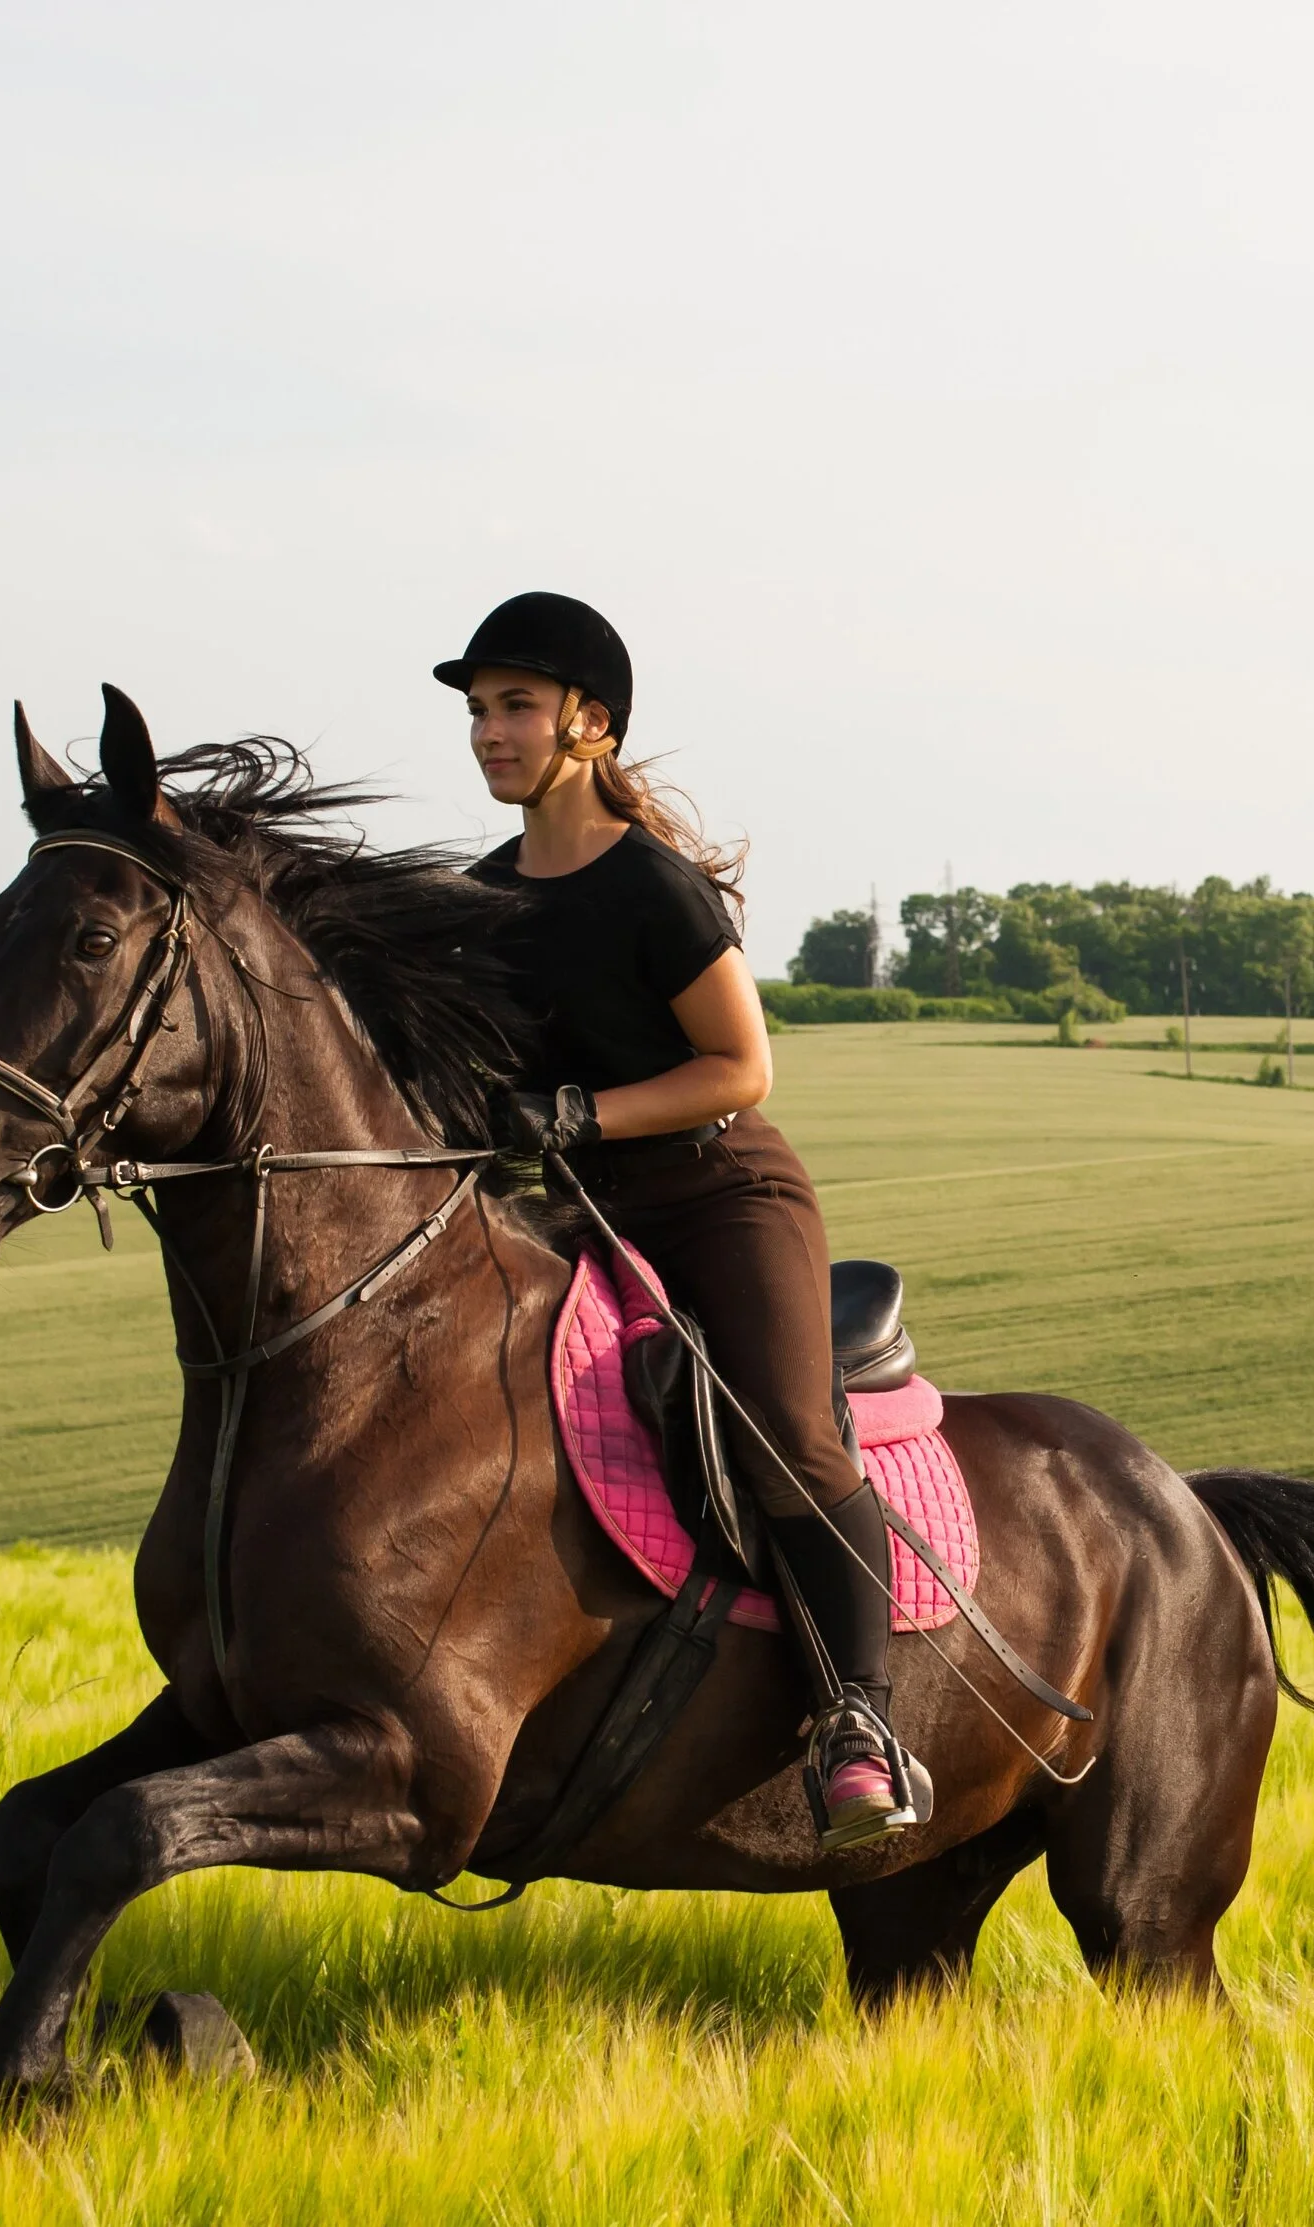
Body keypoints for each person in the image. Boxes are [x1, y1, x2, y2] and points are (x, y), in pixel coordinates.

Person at [438, 590, 929, 1852]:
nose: (488, 730)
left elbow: (740, 1068)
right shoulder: (476, 899)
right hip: (573, 1209)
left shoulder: (653, 889)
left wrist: (578, 1113)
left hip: (717, 1196)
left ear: (589, 725)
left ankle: (856, 1720)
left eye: (515, 706)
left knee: (788, 1436)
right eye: (478, 709)